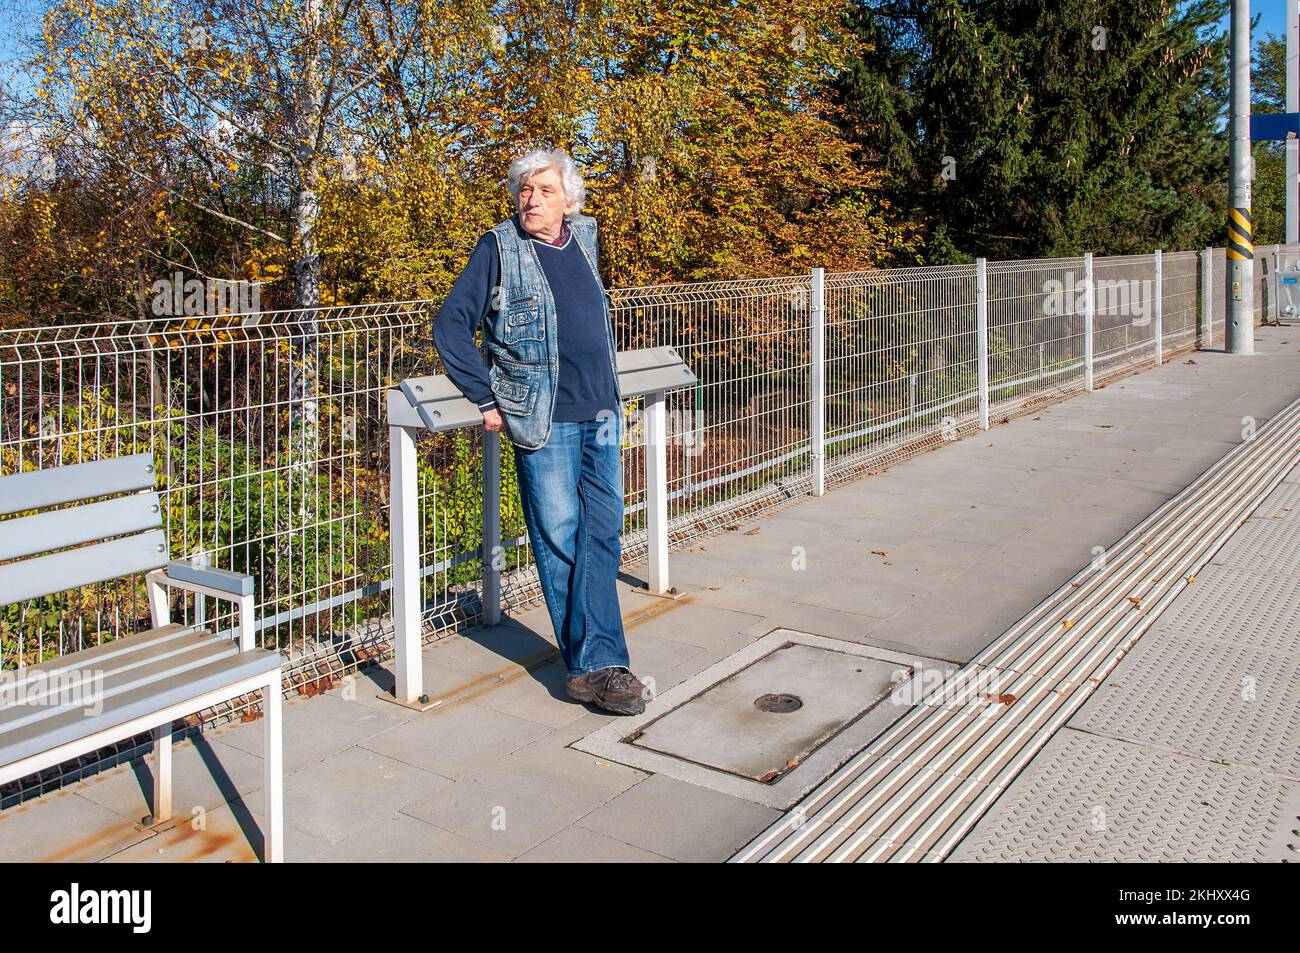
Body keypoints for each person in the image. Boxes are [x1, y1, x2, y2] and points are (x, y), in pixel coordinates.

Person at [432, 146, 651, 716]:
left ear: (569, 200)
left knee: (600, 534)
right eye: (525, 190)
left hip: (601, 412)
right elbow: (452, 324)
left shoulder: (584, 240)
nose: (531, 200)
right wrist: (483, 395)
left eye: (545, 190)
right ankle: (597, 666)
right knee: (560, 537)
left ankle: (594, 662)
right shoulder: (499, 248)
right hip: (544, 417)